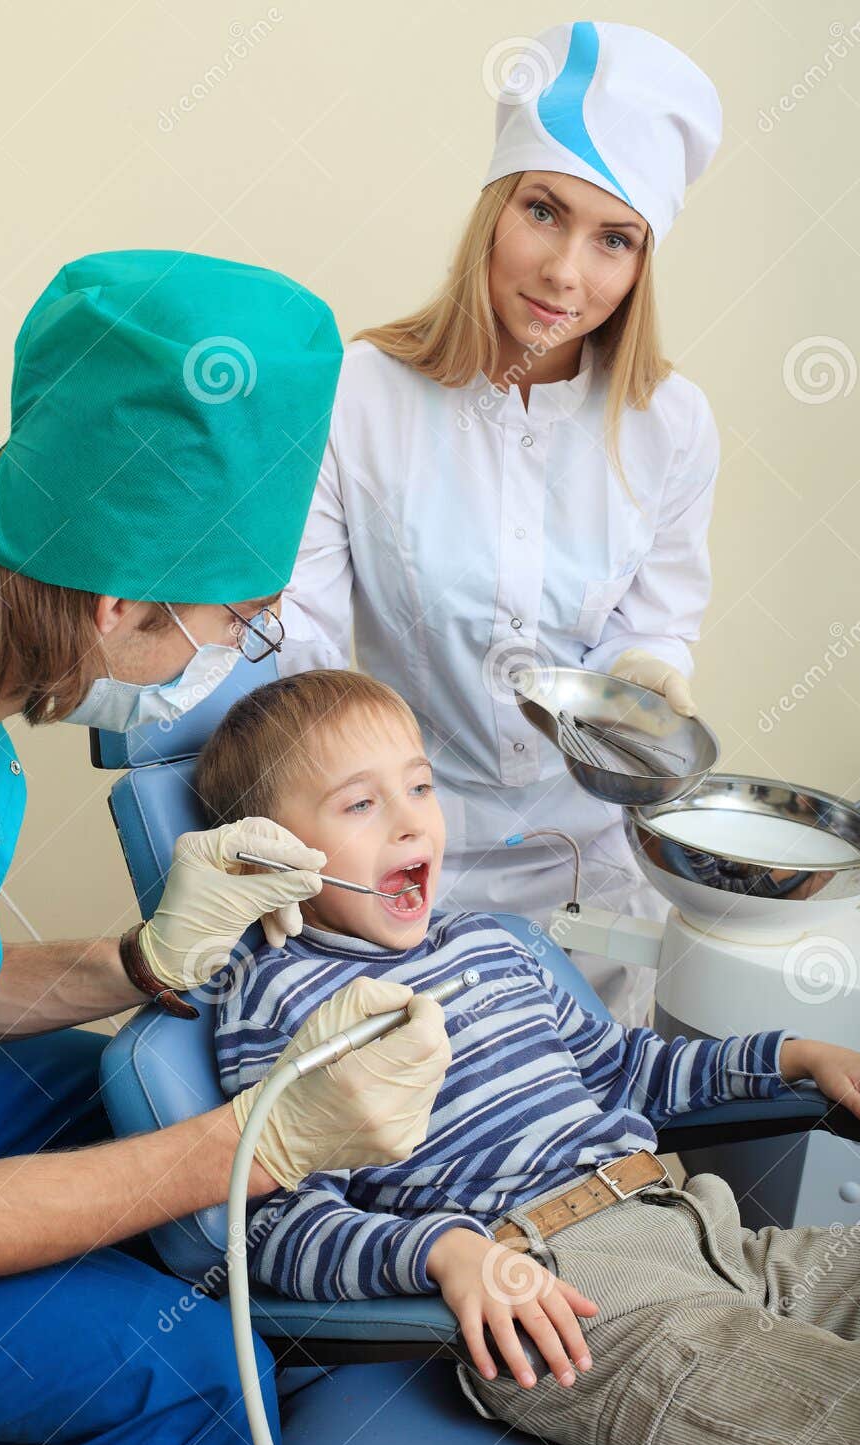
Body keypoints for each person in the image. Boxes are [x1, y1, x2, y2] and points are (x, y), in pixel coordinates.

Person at [0, 251, 453, 1445]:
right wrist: (261, 1142)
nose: (229, 654)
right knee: (179, 1370)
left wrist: (138, 963)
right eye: (231, 623)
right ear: (118, 604)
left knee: (112, 1095)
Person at [194, 668, 860, 1445]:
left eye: (418, 786)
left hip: (698, 1231)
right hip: (568, 1306)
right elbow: (271, 1224)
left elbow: (623, 1070)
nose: (413, 819)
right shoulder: (276, 1003)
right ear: (268, 852)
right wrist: (441, 1251)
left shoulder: (492, 943)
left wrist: (791, 1055)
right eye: (360, 806)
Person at [276, 21, 725, 1019]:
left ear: (642, 262)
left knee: (588, 1128)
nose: (567, 272)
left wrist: (648, 677)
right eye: (542, 211)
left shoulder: (671, 427)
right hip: (393, 857)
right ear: (492, 208)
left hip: (588, 867)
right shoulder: (358, 396)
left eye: (613, 239)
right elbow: (301, 648)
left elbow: (651, 626)